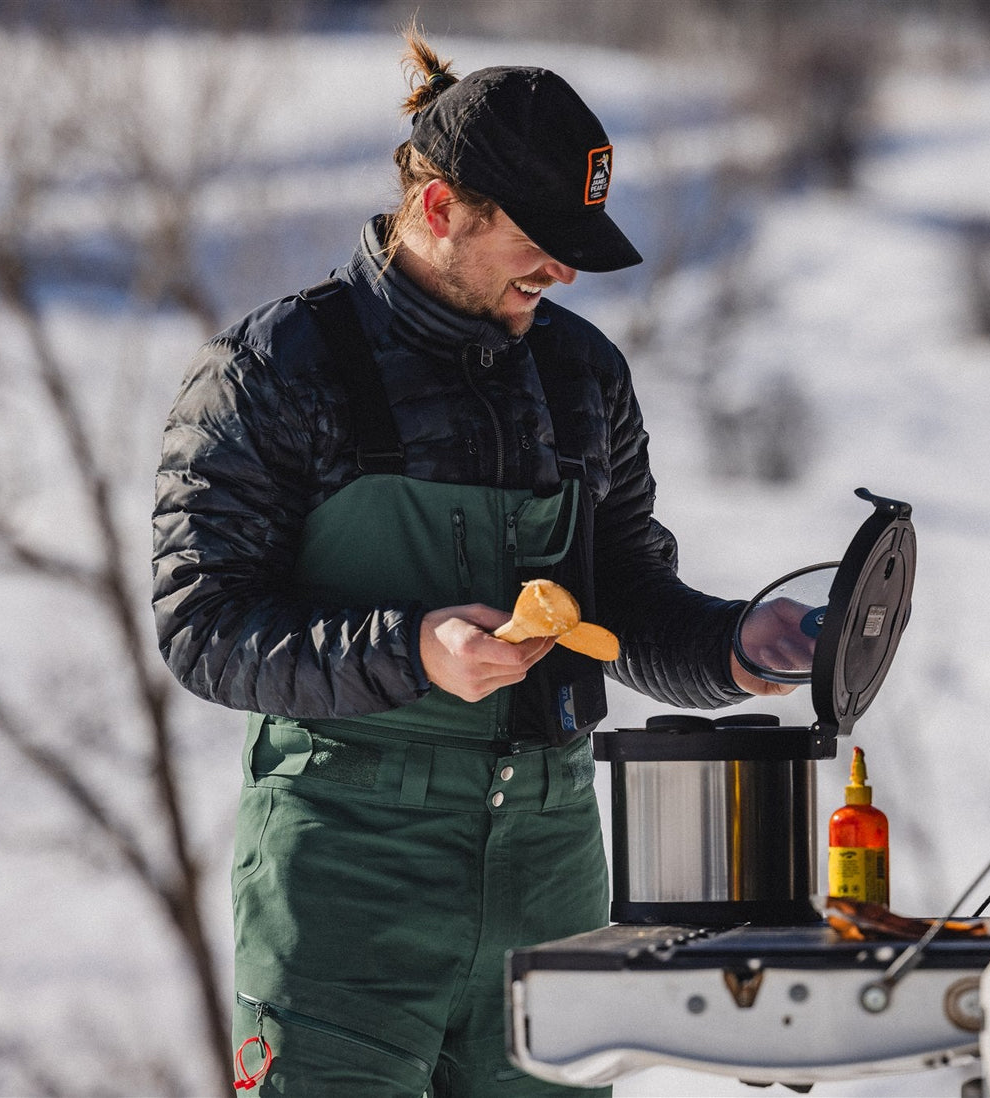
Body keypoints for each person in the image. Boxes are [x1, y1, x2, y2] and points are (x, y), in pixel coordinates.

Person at [152, 29, 791, 1097]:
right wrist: (413, 649)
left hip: (551, 867)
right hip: (347, 874)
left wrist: (730, 646)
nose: (565, 269)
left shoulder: (584, 375)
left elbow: (625, 596)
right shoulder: (272, 373)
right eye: (538, 239)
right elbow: (203, 627)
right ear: (439, 209)